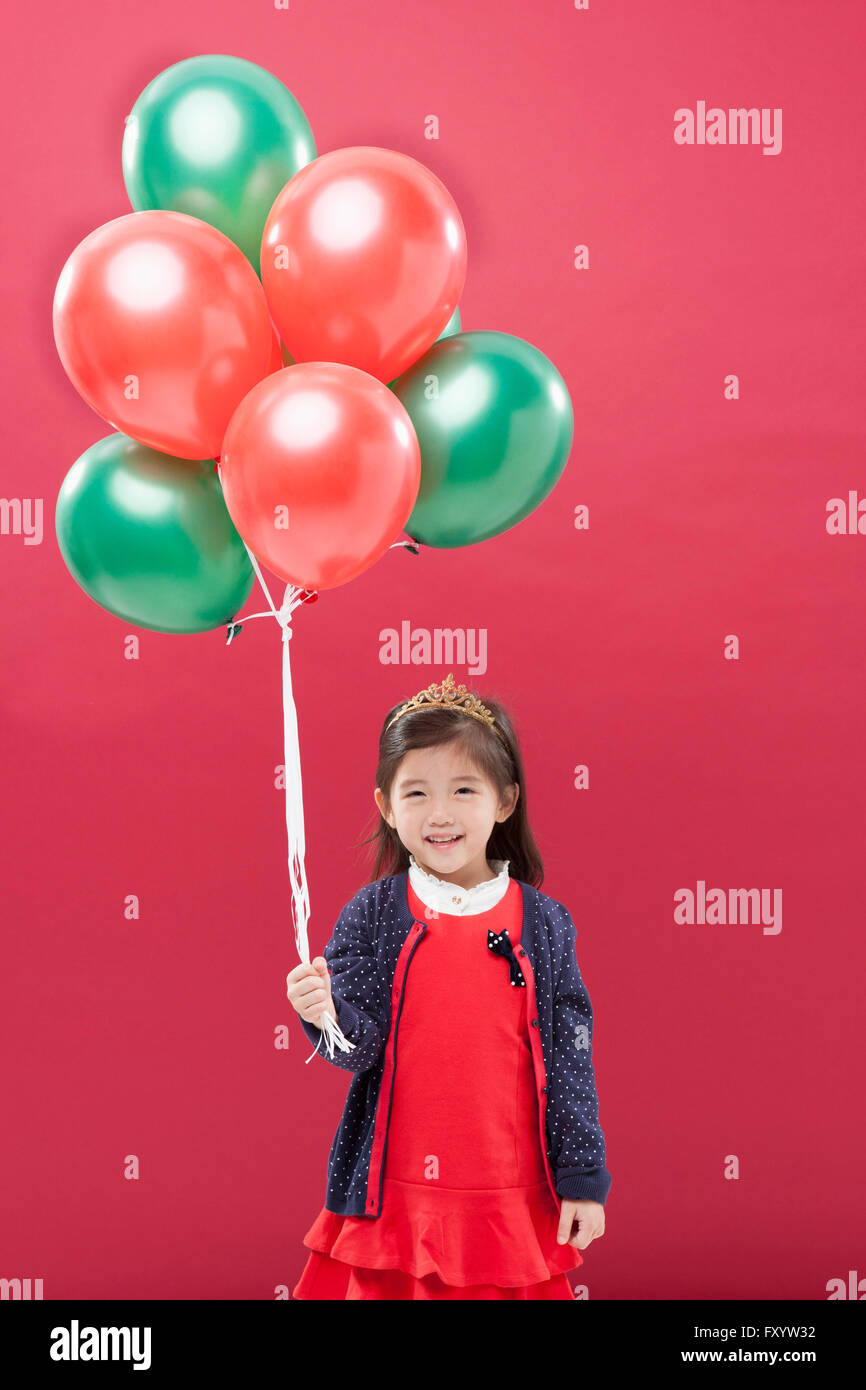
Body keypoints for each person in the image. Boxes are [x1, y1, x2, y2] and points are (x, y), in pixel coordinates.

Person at [286, 672, 611, 1300]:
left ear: (505, 800)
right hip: (396, 1196)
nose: (440, 814)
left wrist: (582, 1178)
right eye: (416, 793)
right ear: (386, 804)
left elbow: (570, 1058)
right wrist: (324, 1012)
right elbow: (360, 1051)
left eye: (464, 789)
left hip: (508, 1192)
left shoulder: (544, 922)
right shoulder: (374, 913)